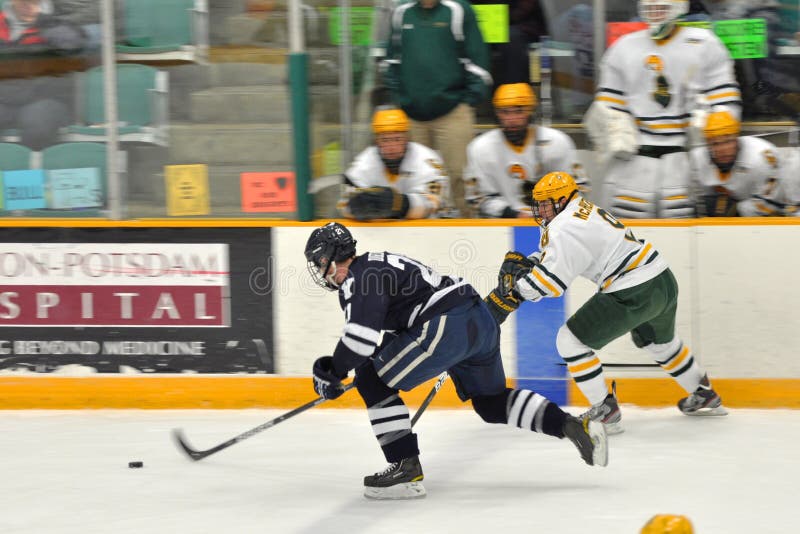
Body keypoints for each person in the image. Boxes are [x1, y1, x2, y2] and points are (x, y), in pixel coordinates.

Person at [304, 221, 608, 500]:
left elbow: (360, 340)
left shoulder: (359, 278)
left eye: (320, 262)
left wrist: (333, 372)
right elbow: (383, 337)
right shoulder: (376, 262)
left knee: (372, 380)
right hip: (477, 318)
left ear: (333, 255)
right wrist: (341, 369)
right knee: (491, 402)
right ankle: (570, 425)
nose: (321, 271)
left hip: (445, 325)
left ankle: (404, 468)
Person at [496, 171, 726, 435]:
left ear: (562, 200)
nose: (541, 210)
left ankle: (605, 411)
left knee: (569, 341)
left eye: (547, 204)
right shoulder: (582, 209)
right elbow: (567, 253)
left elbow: (550, 284)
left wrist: (516, 289)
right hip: (662, 279)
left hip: (632, 289)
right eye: (540, 204)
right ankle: (703, 393)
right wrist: (534, 262)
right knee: (660, 344)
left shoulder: (563, 226)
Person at [583, 0, 741, 218]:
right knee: (628, 220)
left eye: (662, 6)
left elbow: (726, 105)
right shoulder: (623, 47)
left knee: (683, 222)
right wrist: (615, 133)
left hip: (685, 156)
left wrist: (706, 125)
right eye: (650, 5)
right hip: (635, 158)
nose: (655, 10)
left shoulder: (706, 44)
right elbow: (607, 106)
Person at [381, 0, 492, 217]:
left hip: (453, 112)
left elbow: (479, 60)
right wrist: (400, 98)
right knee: (414, 179)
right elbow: (390, 61)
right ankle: (419, 238)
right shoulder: (401, 13)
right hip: (411, 115)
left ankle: (468, 231)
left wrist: (468, 99)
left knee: (461, 177)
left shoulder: (459, 10)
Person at [464, 82, 589, 217]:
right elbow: (477, 198)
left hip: (555, 221)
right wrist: (513, 215)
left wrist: (554, 209)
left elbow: (580, 186)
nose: (511, 119)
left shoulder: (557, 142)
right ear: (497, 114)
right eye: (504, 112)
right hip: (501, 225)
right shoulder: (480, 147)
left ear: (531, 111)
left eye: (519, 111)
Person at [0, 0, 87, 150]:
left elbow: (73, 43)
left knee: (38, 124)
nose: (27, 5)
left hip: (44, 98)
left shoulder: (55, 25)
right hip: (6, 97)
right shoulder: (2, 25)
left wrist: (42, 22)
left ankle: (30, 170)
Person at [338, 107, 450, 220]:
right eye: (385, 140)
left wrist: (400, 204)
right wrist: (357, 206)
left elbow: (433, 203)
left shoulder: (427, 160)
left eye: (397, 139)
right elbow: (344, 204)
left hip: (430, 231)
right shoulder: (364, 162)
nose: (391, 147)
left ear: (407, 139)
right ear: (377, 142)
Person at [690, 110, 786, 216]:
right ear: (708, 145)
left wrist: (737, 210)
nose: (723, 149)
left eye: (728, 141)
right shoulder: (697, 159)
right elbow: (694, 202)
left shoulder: (762, 157)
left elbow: (774, 205)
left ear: (736, 139)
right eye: (715, 144)